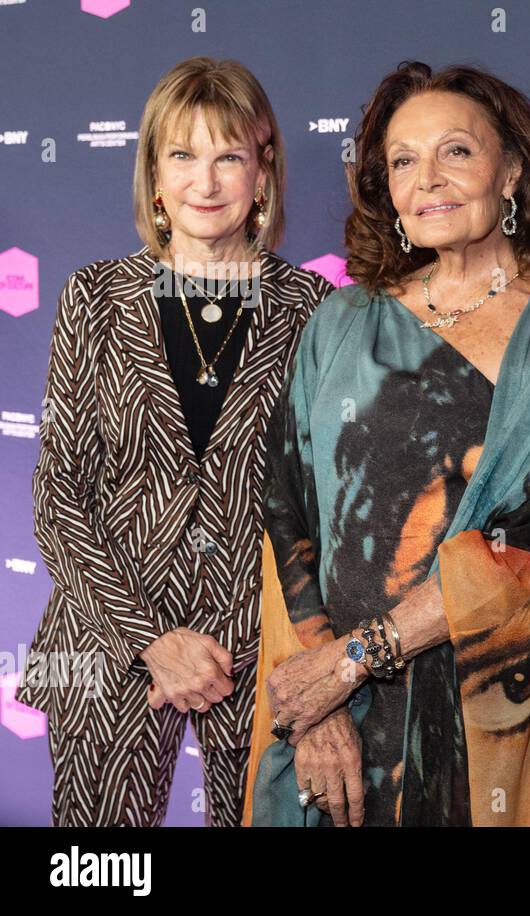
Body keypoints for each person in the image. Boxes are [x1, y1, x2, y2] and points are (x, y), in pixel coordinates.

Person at [243, 62, 530, 827]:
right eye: (403, 161)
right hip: (322, 719)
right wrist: (315, 705)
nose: (427, 179)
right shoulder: (340, 321)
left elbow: (520, 554)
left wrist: (349, 664)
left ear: (510, 172)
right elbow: (286, 511)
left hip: (472, 724)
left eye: (456, 152)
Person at [18, 57, 333, 826]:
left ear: (264, 173)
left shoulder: (315, 310)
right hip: (108, 635)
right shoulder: (92, 299)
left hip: (256, 652)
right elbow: (58, 496)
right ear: (153, 176)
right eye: (182, 155)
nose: (207, 180)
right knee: (101, 870)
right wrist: (150, 639)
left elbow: (324, 505)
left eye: (230, 155)